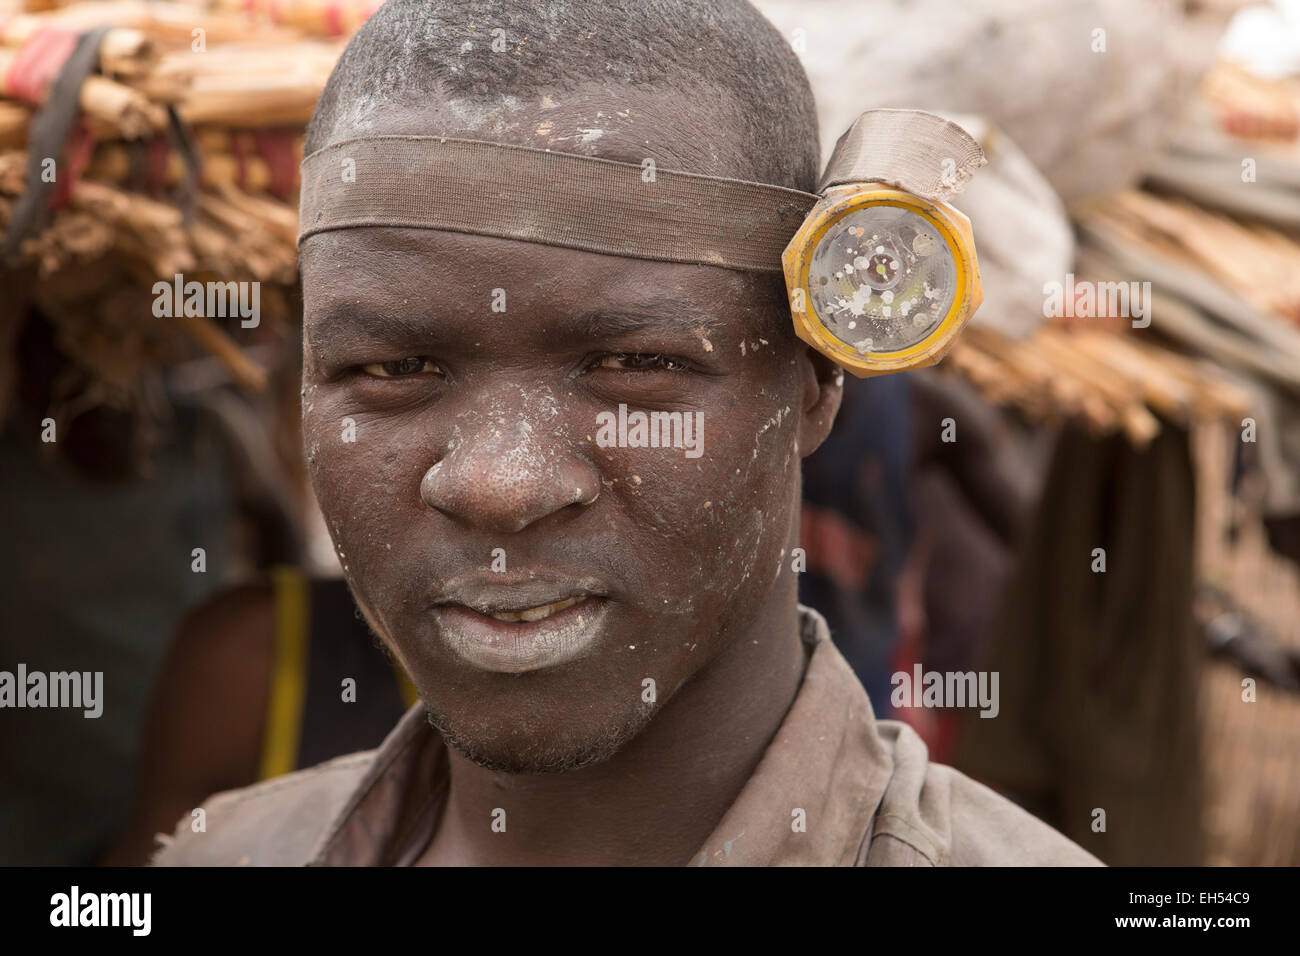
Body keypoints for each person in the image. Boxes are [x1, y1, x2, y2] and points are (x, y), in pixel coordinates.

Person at [154, 0, 1098, 866]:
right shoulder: (227, 853)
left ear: (813, 384)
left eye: (634, 366)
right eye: (393, 372)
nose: (498, 484)